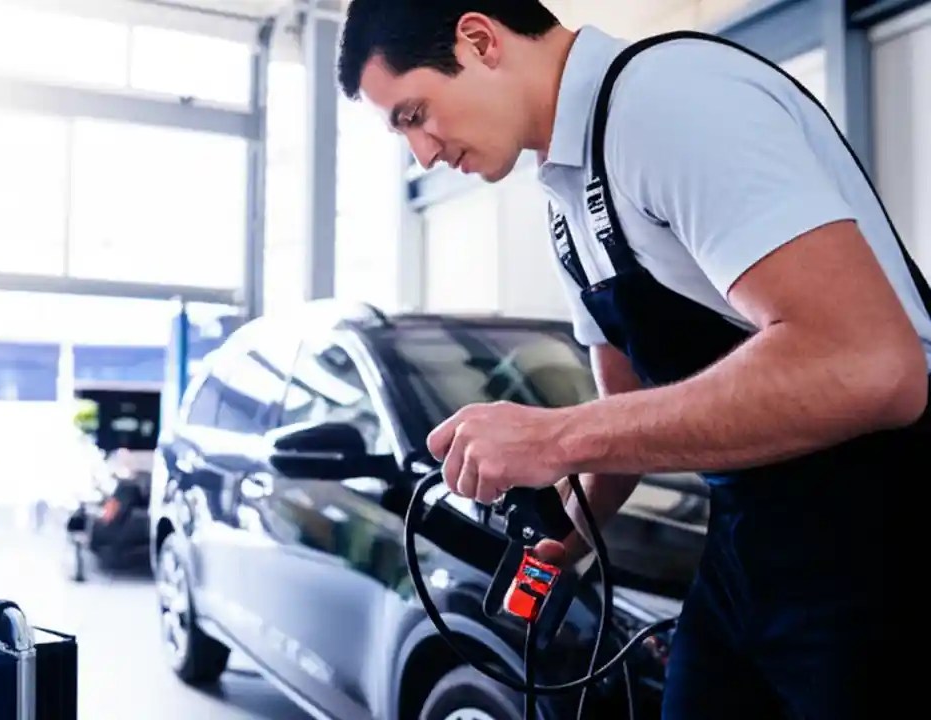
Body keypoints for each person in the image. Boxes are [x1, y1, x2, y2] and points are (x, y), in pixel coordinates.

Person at [337, 1, 929, 718]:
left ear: (479, 39)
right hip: (751, 540)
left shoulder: (665, 101)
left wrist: (552, 436)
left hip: (885, 539)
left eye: (412, 115)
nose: (422, 154)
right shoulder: (566, 196)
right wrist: (564, 539)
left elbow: (871, 365)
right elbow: (621, 419)